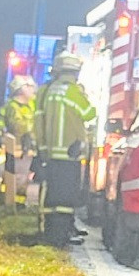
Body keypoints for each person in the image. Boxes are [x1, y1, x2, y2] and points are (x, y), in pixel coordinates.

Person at [33, 51, 96, 243]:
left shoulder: (50, 90)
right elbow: (89, 113)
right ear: (75, 72)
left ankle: (52, 231)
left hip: (52, 152)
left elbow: (39, 121)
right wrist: (84, 94)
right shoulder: (72, 91)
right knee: (66, 198)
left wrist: (42, 148)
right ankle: (62, 234)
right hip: (70, 152)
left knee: (52, 195)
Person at [0, 75, 37, 203]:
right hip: (13, 147)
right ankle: (5, 200)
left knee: (23, 178)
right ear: (20, 90)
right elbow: (1, 122)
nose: (32, 90)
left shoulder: (33, 104)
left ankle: (19, 202)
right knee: (9, 175)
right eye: (28, 87)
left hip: (28, 149)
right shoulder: (10, 106)